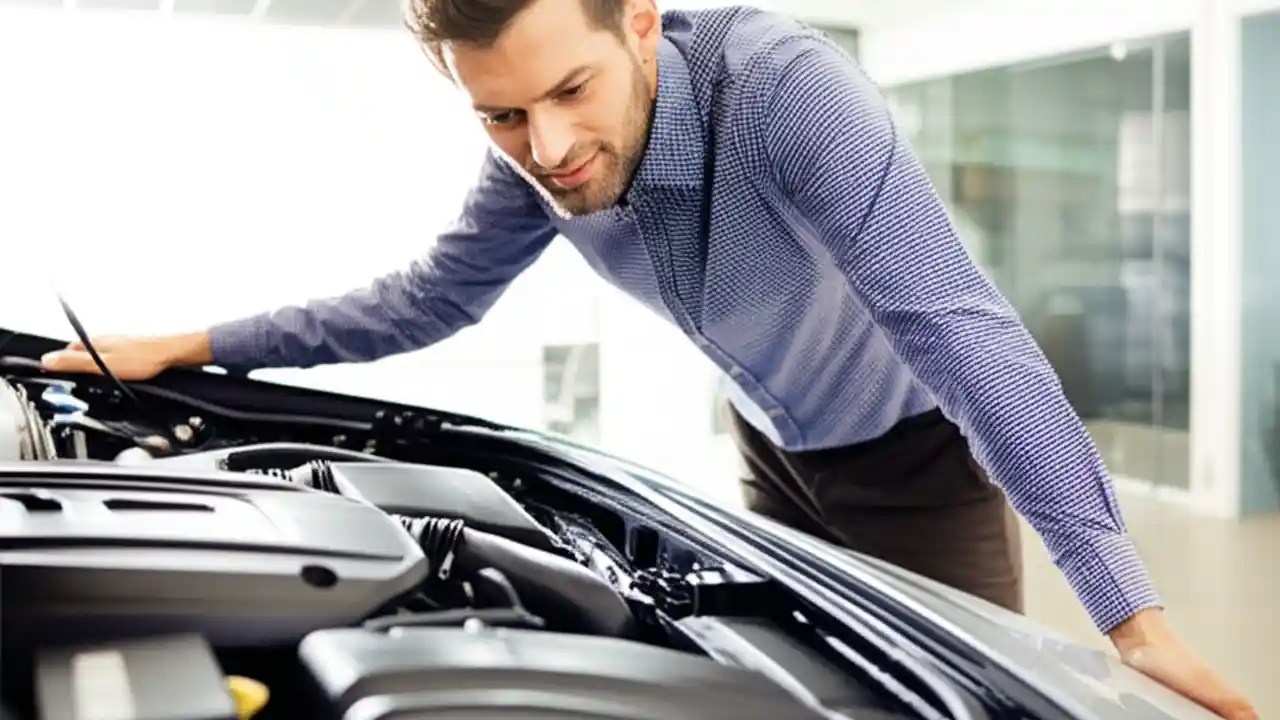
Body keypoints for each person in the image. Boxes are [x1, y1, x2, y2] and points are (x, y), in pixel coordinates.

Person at [43, 1, 1254, 716]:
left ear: (637, 19)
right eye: (503, 114)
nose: (549, 148)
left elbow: (956, 327)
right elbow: (429, 299)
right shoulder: (532, 146)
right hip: (770, 448)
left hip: (915, 458)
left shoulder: (787, 95)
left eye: (569, 90)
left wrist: (1130, 616)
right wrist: (184, 346)